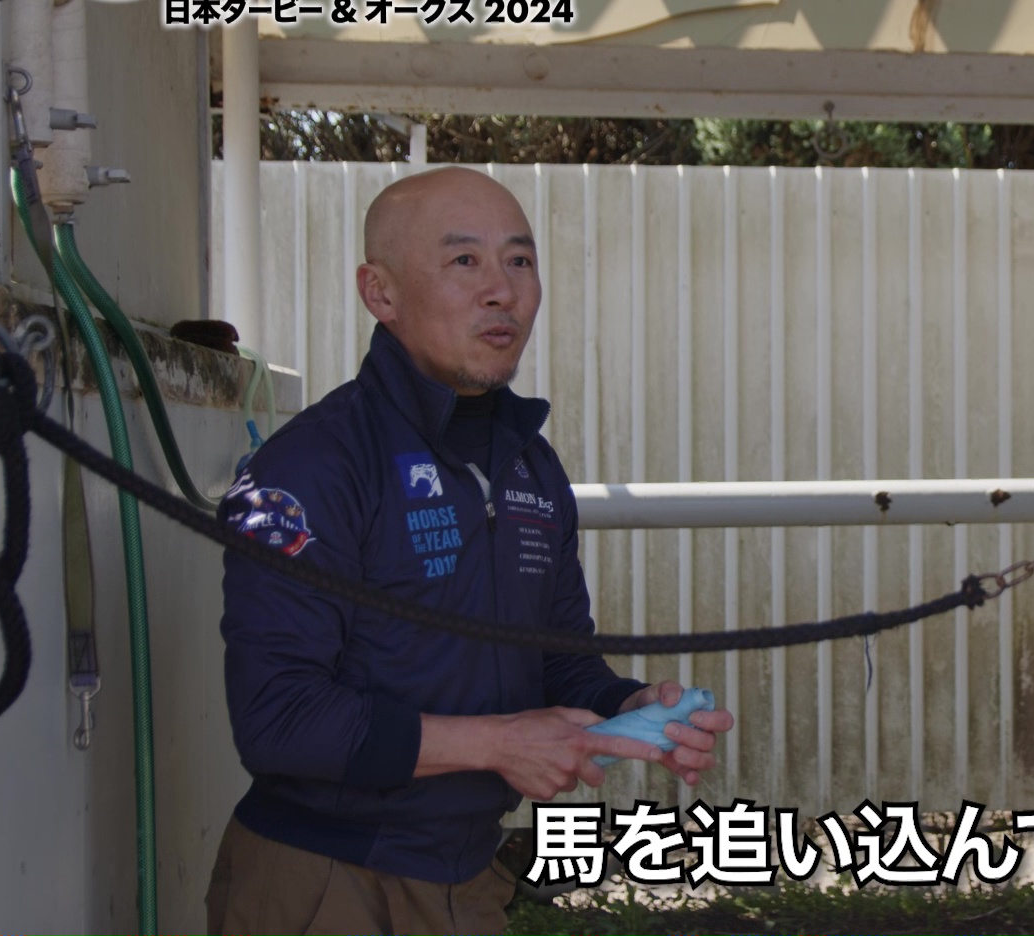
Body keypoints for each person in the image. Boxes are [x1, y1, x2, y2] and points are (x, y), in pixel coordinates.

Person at [205, 166, 734, 936]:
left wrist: (629, 710)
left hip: (467, 879)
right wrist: (499, 743)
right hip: (323, 880)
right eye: (465, 261)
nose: (503, 291)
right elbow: (278, 721)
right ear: (379, 293)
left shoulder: (530, 467)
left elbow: (557, 662)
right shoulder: (311, 467)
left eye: (519, 260)